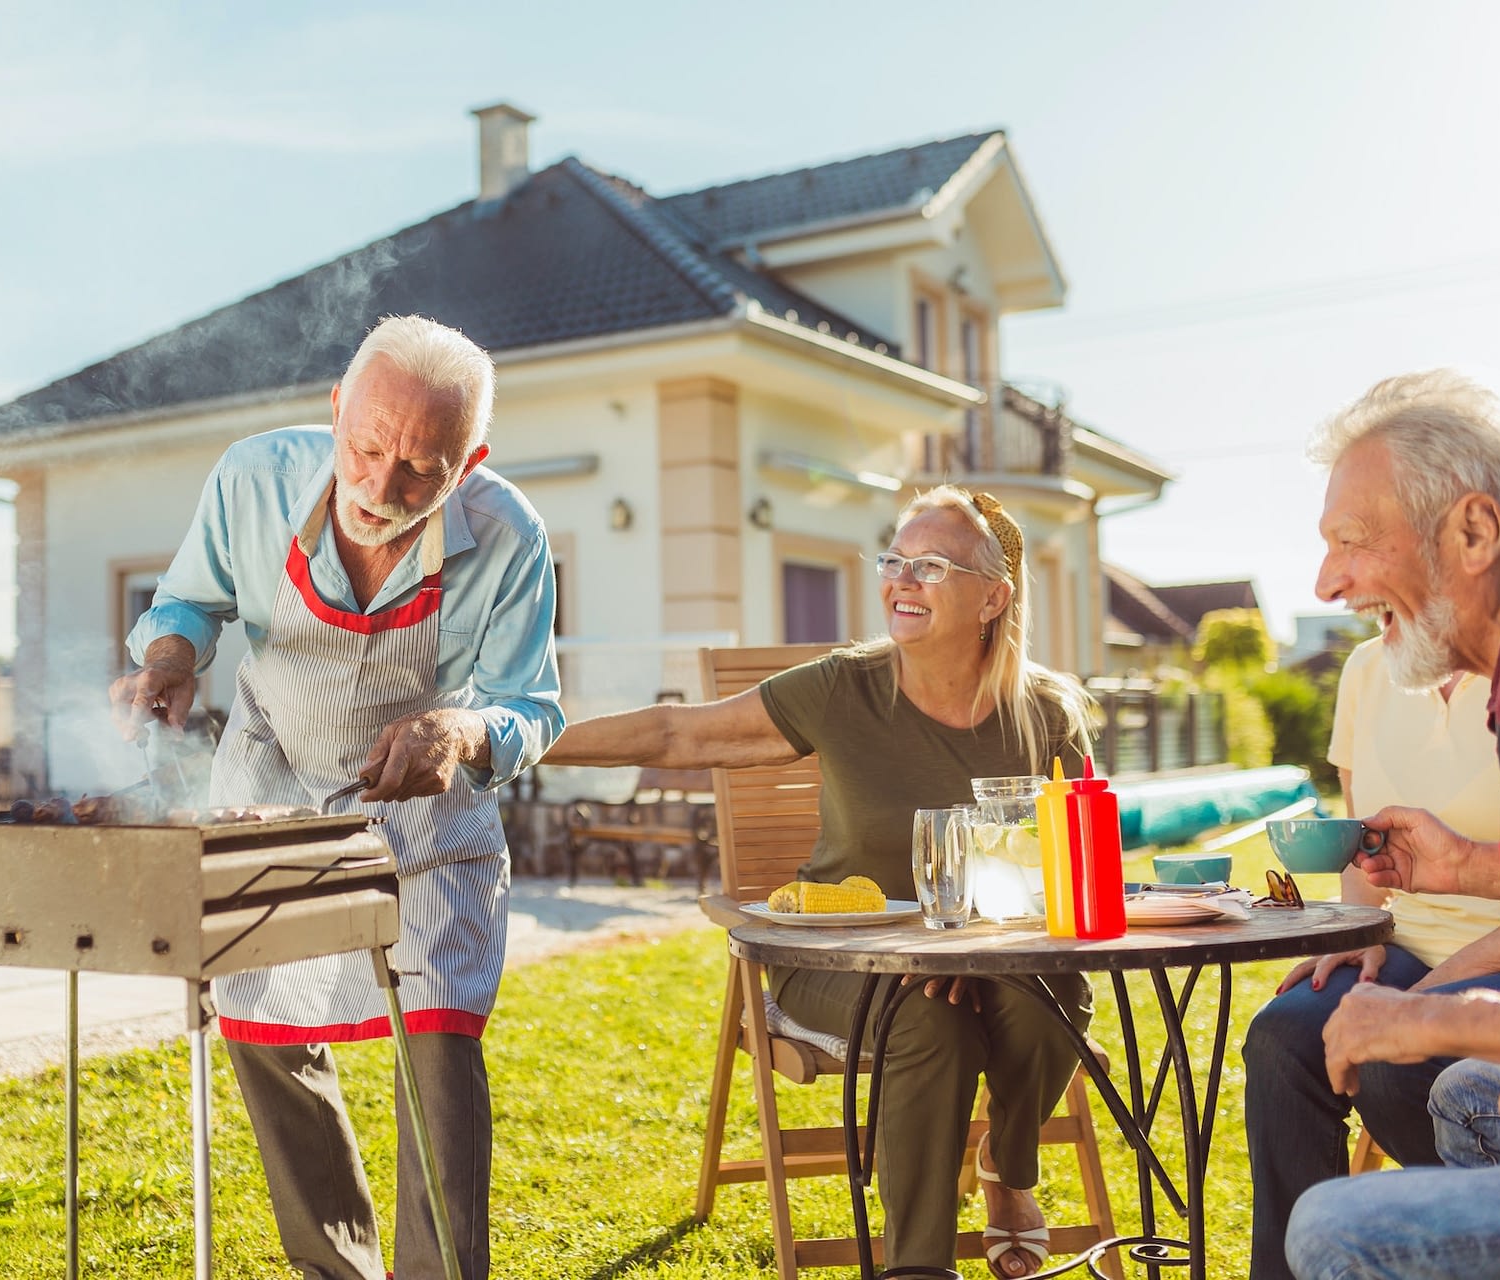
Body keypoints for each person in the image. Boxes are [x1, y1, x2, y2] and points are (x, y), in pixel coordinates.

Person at [540, 485, 1096, 1279]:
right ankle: (918, 1268)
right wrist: (512, 743)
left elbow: (1073, 869)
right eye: (895, 559)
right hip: (841, 959)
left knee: (1055, 996)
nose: (902, 580)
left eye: (931, 566)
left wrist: (979, 948)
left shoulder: (1044, 713)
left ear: (992, 598)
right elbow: (673, 733)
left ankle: (1007, 1171)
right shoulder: (842, 689)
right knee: (928, 1022)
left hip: (994, 951)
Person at [110, 315, 562, 1280]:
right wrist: (171, 658)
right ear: (336, 413)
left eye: (421, 470)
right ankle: (333, 1267)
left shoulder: (510, 536)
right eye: (366, 448)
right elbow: (192, 600)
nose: (380, 487)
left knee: (438, 1049)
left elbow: (532, 706)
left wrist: (466, 730)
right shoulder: (253, 479)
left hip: (428, 813)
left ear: (469, 460)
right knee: (265, 1029)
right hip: (273, 778)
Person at [1276, 369, 1500, 1278]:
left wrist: (1423, 1014)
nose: (1327, 581)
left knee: (1340, 1227)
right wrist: (1459, 868)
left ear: (1474, 531)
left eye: (1353, 542)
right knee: (1308, 1041)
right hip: (1424, 955)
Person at [1242, 636, 1500, 1280]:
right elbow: (1365, 833)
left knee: (1395, 1059)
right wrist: (1356, 928)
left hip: (1498, 953)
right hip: (1402, 941)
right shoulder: (1367, 668)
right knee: (1281, 1036)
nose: (1334, 585)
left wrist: (1412, 1008)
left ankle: (1444, 1249)